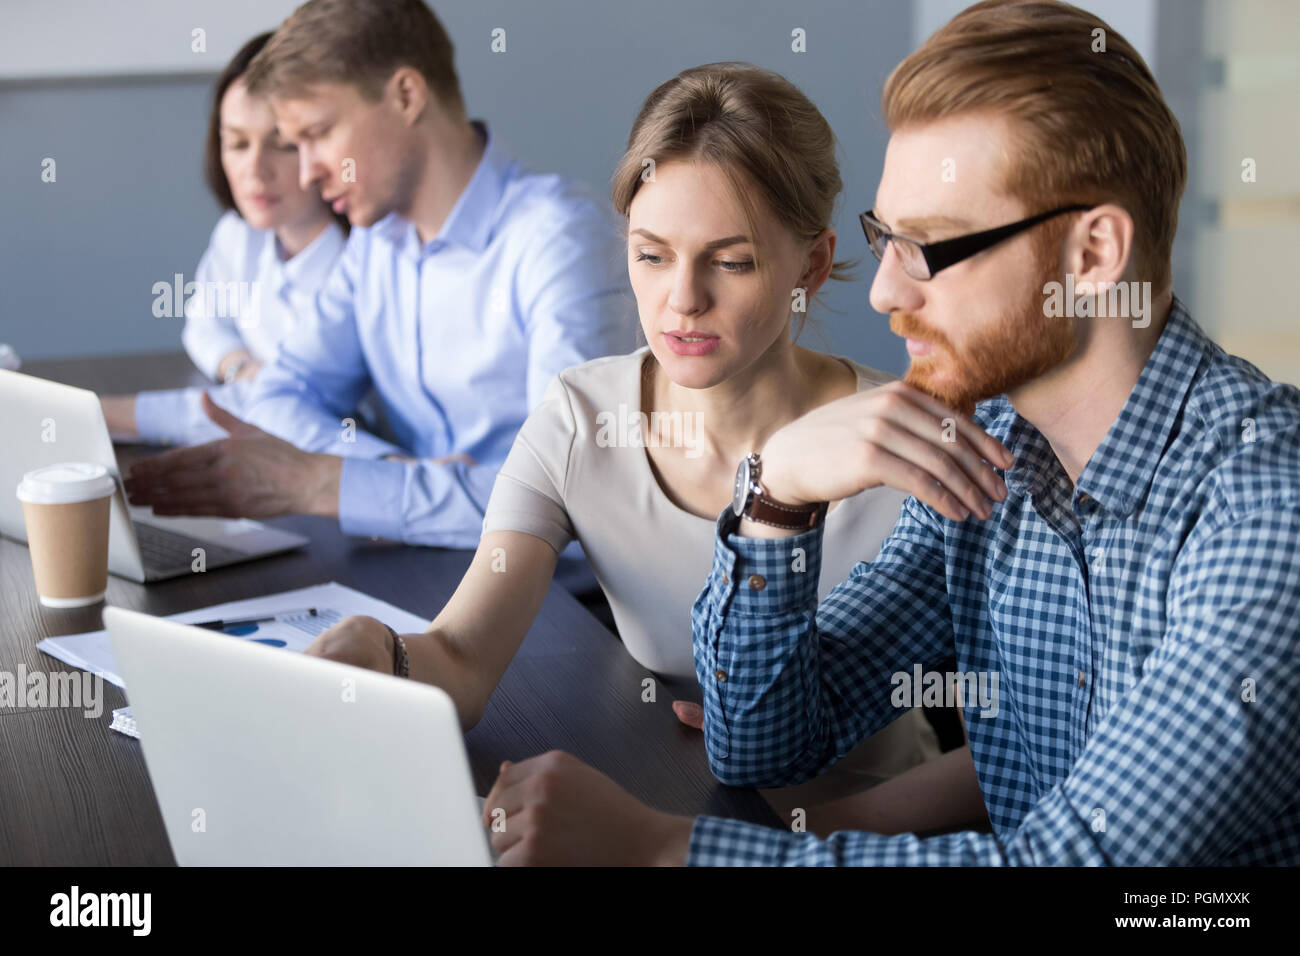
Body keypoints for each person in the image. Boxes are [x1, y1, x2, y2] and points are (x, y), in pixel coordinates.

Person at [476, 0, 1300, 866]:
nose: (883, 295)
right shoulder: (992, 449)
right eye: (886, 239)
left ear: (1091, 257)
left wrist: (661, 851)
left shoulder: (1265, 506)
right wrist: (776, 496)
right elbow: (764, 745)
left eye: (932, 249)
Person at [304, 62, 990, 826]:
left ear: (814, 264)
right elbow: (462, 656)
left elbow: (1006, 749)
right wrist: (382, 655)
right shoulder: (578, 419)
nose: (683, 299)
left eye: (732, 262)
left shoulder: (908, 445)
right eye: (652, 254)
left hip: (865, 839)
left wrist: (772, 844)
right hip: (679, 806)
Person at [122, 0, 636, 564]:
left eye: (316, 134)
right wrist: (389, 474)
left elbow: (562, 498)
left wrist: (325, 483)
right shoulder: (375, 244)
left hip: (558, 608)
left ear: (406, 96)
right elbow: (278, 394)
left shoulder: (559, 241)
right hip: (421, 562)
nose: (307, 171)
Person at [100, 32, 347, 446]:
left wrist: (106, 415)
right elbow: (204, 324)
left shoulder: (362, 260)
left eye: (282, 145)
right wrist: (241, 369)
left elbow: (297, 408)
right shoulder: (240, 233)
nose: (255, 169)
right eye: (236, 143)